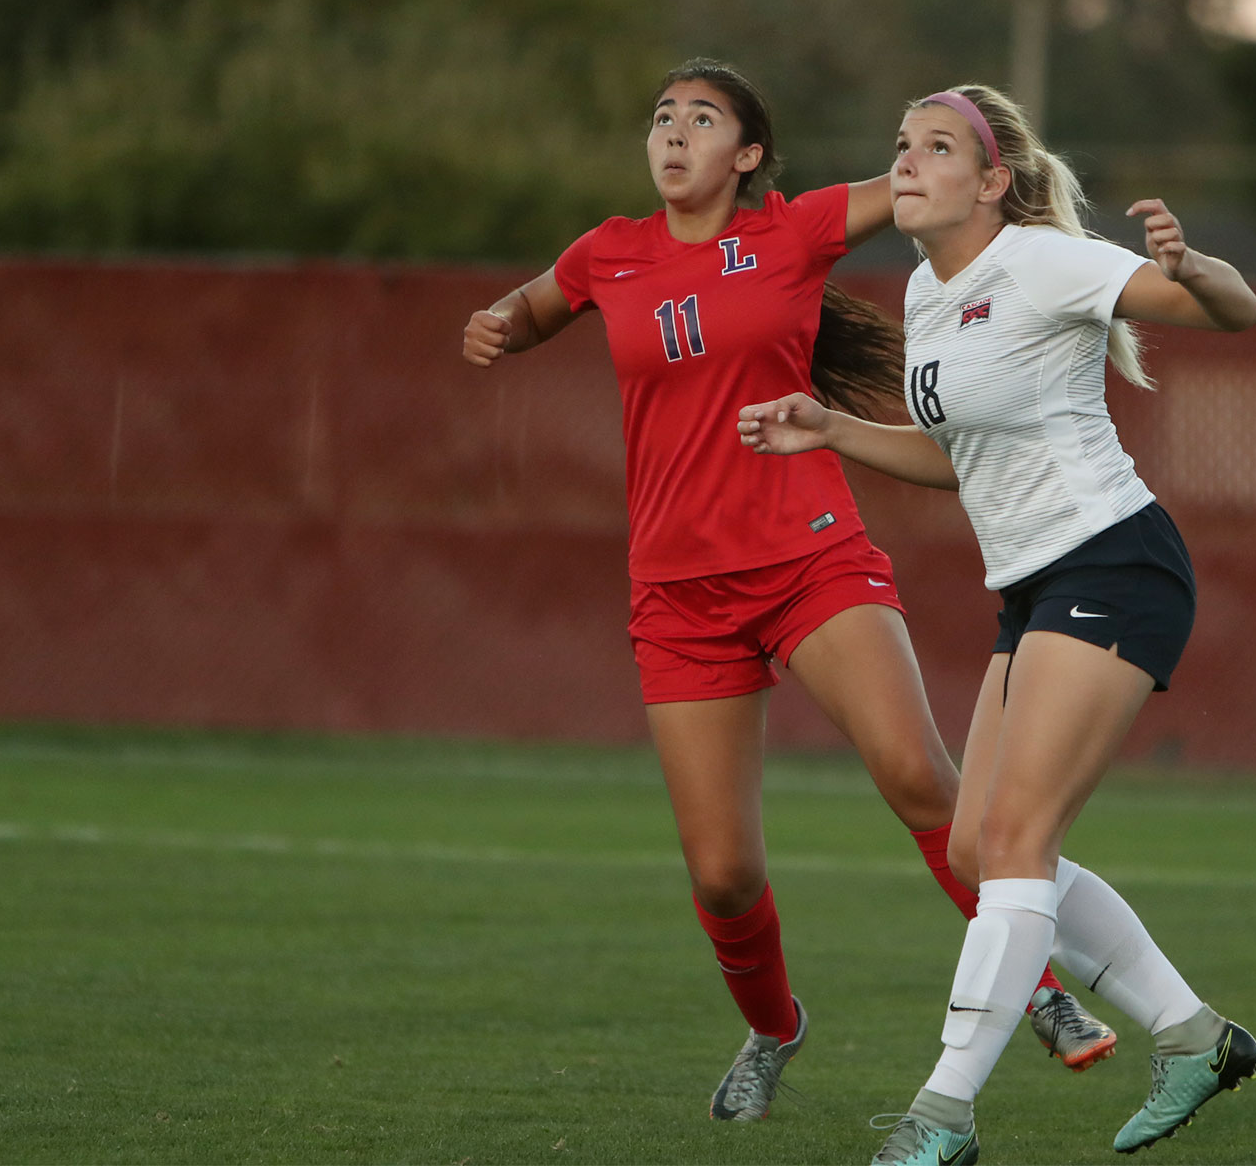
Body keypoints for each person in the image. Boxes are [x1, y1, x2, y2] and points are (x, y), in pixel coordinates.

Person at [458, 60, 1116, 1125]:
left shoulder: (794, 230)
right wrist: (498, 323)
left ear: (748, 155)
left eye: (702, 119)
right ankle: (774, 1030)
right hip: (678, 592)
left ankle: (1034, 988)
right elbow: (538, 308)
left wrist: (1002, 186)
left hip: (811, 558)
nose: (674, 133)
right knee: (722, 876)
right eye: (661, 116)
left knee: (920, 778)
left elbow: (920, 188)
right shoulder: (607, 252)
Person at [736, 84, 1256, 1163]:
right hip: (1034, 588)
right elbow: (954, 457)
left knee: (1019, 845)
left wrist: (1194, 263)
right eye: (900, 146)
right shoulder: (930, 296)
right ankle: (1198, 1037)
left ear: (991, 182)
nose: (910, 161)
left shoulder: (1041, 259)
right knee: (980, 851)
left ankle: (942, 1114)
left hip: (1115, 563)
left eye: (938, 148)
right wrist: (832, 428)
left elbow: (1232, 311)